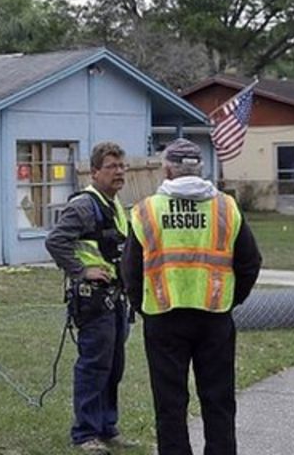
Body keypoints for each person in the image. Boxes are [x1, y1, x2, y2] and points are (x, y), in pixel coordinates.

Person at [122, 138, 261, 455]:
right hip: (214, 317)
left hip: (163, 316)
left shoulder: (146, 210)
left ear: (167, 169)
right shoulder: (226, 207)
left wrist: (142, 306)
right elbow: (250, 262)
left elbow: (130, 270)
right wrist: (229, 299)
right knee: (218, 400)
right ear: (200, 168)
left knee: (169, 402)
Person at [45, 141, 133, 454]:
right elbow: (56, 242)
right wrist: (82, 271)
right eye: (112, 167)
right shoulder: (84, 206)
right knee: (94, 367)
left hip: (116, 298)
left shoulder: (117, 205)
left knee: (114, 366)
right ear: (95, 172)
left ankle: (107, 427)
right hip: (93, 301)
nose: (119, 172)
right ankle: (85, 433)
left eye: (122, 166)